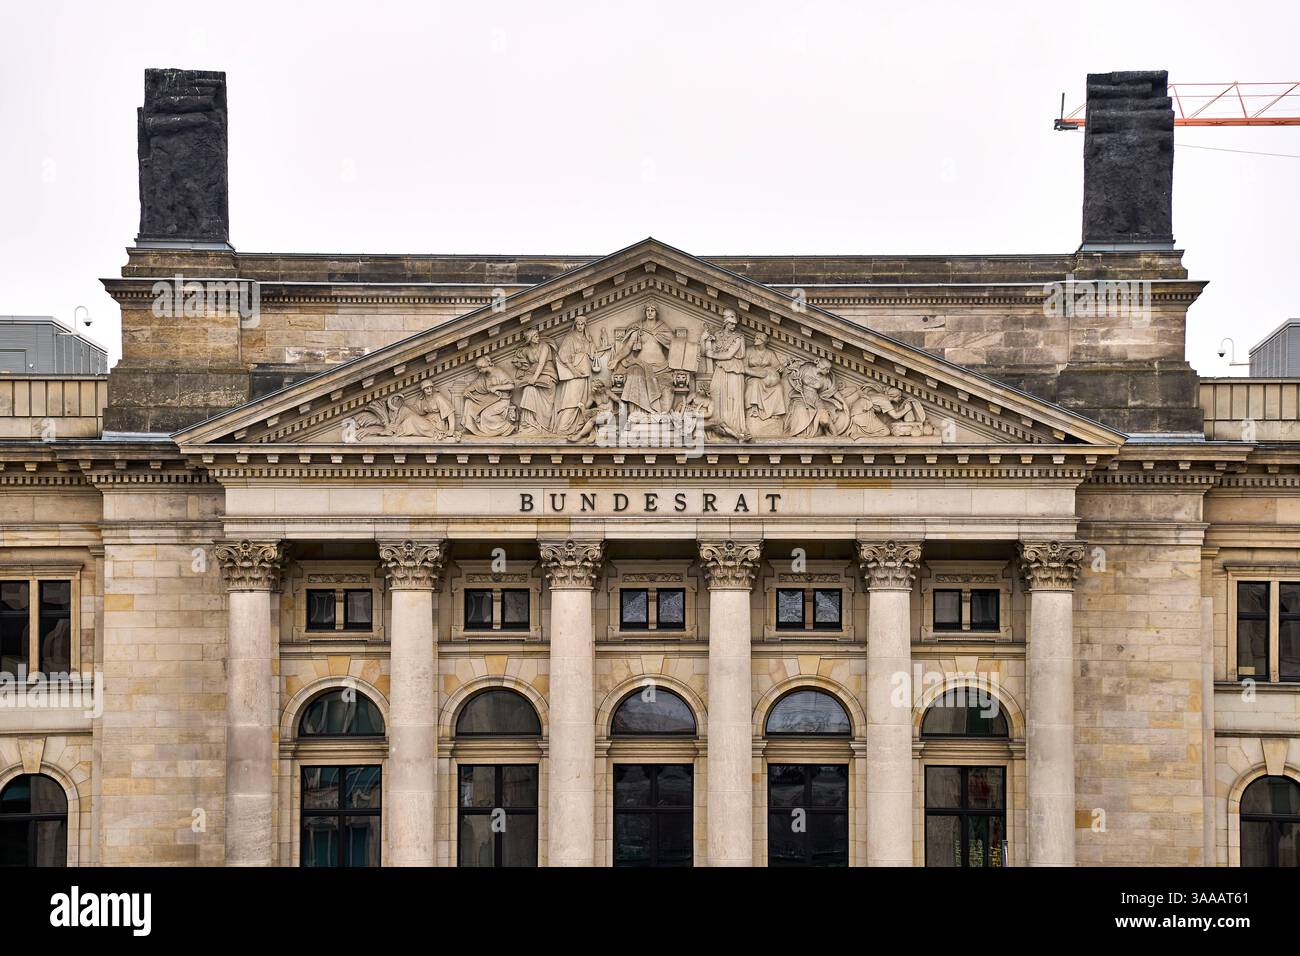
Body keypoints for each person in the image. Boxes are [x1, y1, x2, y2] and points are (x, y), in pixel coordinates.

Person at [609, 303, 673, 419]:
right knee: (634, 374)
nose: (649, 312)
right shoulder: (638, 329)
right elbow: (628, 347)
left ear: (656, 312)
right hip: (641, 366)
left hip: (661, 367)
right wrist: (616, 360)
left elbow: (676, 347)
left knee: (666, 384)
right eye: (647, 310)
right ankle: (637, 414)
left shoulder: (663, 328)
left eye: (652, 310)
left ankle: (661, 415)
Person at [702, 309, 749, 440]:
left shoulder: (739, 337)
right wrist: (704, 340)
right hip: (720, 369)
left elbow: (729, 355)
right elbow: (705, 352)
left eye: (734, 324)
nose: (733, 326)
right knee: (714, 391)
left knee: (733, 399)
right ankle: (717, 425)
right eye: (731, 323)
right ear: (725, 322)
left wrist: (713, 355)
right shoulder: (717, 335)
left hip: (734, 370)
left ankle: (736, 429)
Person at [554, 316, 597, 435]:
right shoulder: (570, 337)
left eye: (582, 324)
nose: (580, 326)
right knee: (571, 399)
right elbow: (563, 356)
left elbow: (593, 354)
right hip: (574, 375)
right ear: (575, 325)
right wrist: (574, 372)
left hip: (585, 374)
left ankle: (578, 426)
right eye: (578, 324)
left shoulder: (587, 339)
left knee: (582, 400)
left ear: (585, 326)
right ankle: (563, 427)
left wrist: (592, 344)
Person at [743, 331, 787, 438]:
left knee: (778, 388)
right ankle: (754, 409)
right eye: (755, 337)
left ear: (764, 341)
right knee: (755, 383)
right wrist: (756, 373)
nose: (755, 339)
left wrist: (780, 368)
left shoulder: (770, 353)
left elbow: (777, 365)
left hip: (768, 379)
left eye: (759, 338)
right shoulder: (749, 351)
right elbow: (743, 367)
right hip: (753, 376)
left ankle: (775, 413)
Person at [513, 329, 558, 434]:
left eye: (537, 335)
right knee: (528, 390)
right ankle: (529, 424)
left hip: (547, 375)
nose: (538, 338)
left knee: (546, 401)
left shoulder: (544, 346)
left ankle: (544, 425)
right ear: (529, 339)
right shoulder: (526, 350)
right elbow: (519, 360)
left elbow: (541, 363)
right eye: (535, 336)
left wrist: (534, 378)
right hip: (533, 375)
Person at [461, 357, 516, 437]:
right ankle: (470, 428)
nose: (479, 371)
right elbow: (475, 384)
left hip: (501, 400)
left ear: (485, 366)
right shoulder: (484, 375)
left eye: (480, 369)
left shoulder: (499, 372)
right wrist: (467, 390)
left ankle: (506, 428)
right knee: (469, 402)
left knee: (486, 414)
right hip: (489, 399)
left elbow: (511, 385)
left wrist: (497, 387)